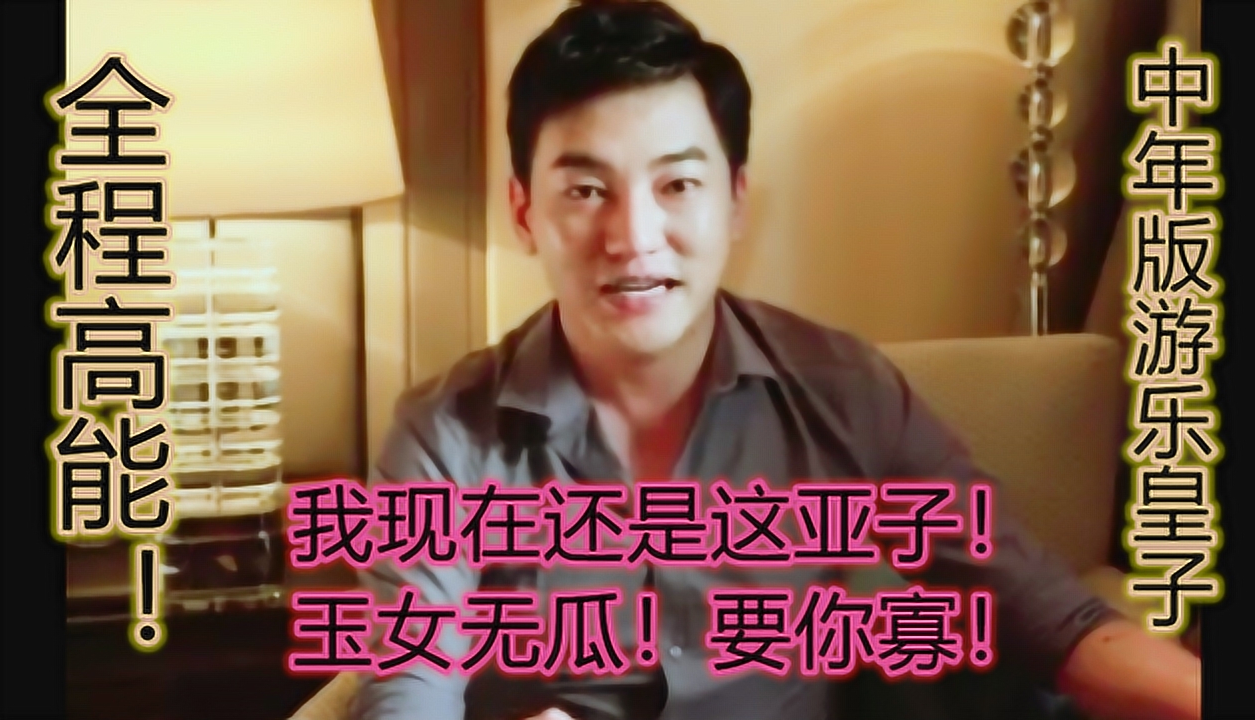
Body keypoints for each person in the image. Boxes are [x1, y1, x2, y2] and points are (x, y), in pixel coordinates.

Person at [352, 1, 1202, 719]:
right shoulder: (444, 437)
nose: (633, 237)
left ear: (735, 202)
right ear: (524, 211)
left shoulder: (845, 392)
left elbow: (1054, 625)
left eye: (678, 185)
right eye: (585, 190)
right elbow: (407, 686)